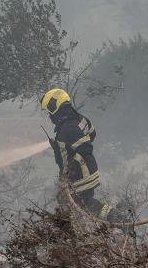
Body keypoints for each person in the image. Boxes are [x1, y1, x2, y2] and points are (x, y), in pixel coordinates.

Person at [41, 88, 115, 220]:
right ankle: (109, 220)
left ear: (56, 108)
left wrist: (68, 171)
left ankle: (116, 218)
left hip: (81, 175)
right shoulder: (80, 119)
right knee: (75, 203)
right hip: (90, 170)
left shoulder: (66, 129)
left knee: (83, 204)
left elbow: (77, 153)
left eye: (50, 112)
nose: (50, 116)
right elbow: (92, 133)